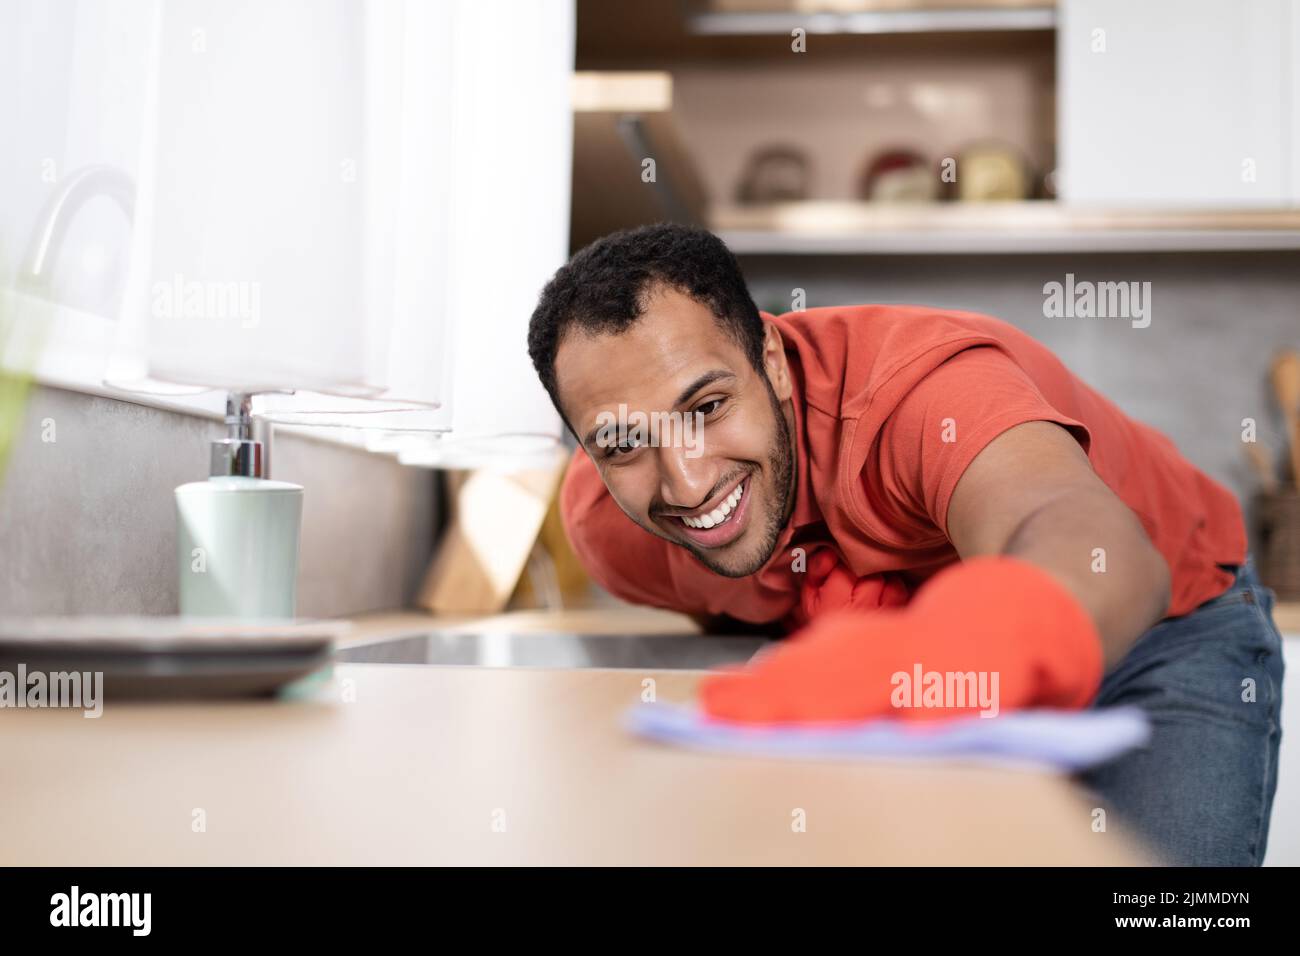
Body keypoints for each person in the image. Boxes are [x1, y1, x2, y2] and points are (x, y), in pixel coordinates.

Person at [526, 222, 1284, 866]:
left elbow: (1091, 542)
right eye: (623, 443)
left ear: (772, 361)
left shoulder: (925, 395)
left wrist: (952, 653)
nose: (687, 483)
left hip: (1164, 636)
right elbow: (727, 604)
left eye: (709, 406)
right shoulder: (614, 532)